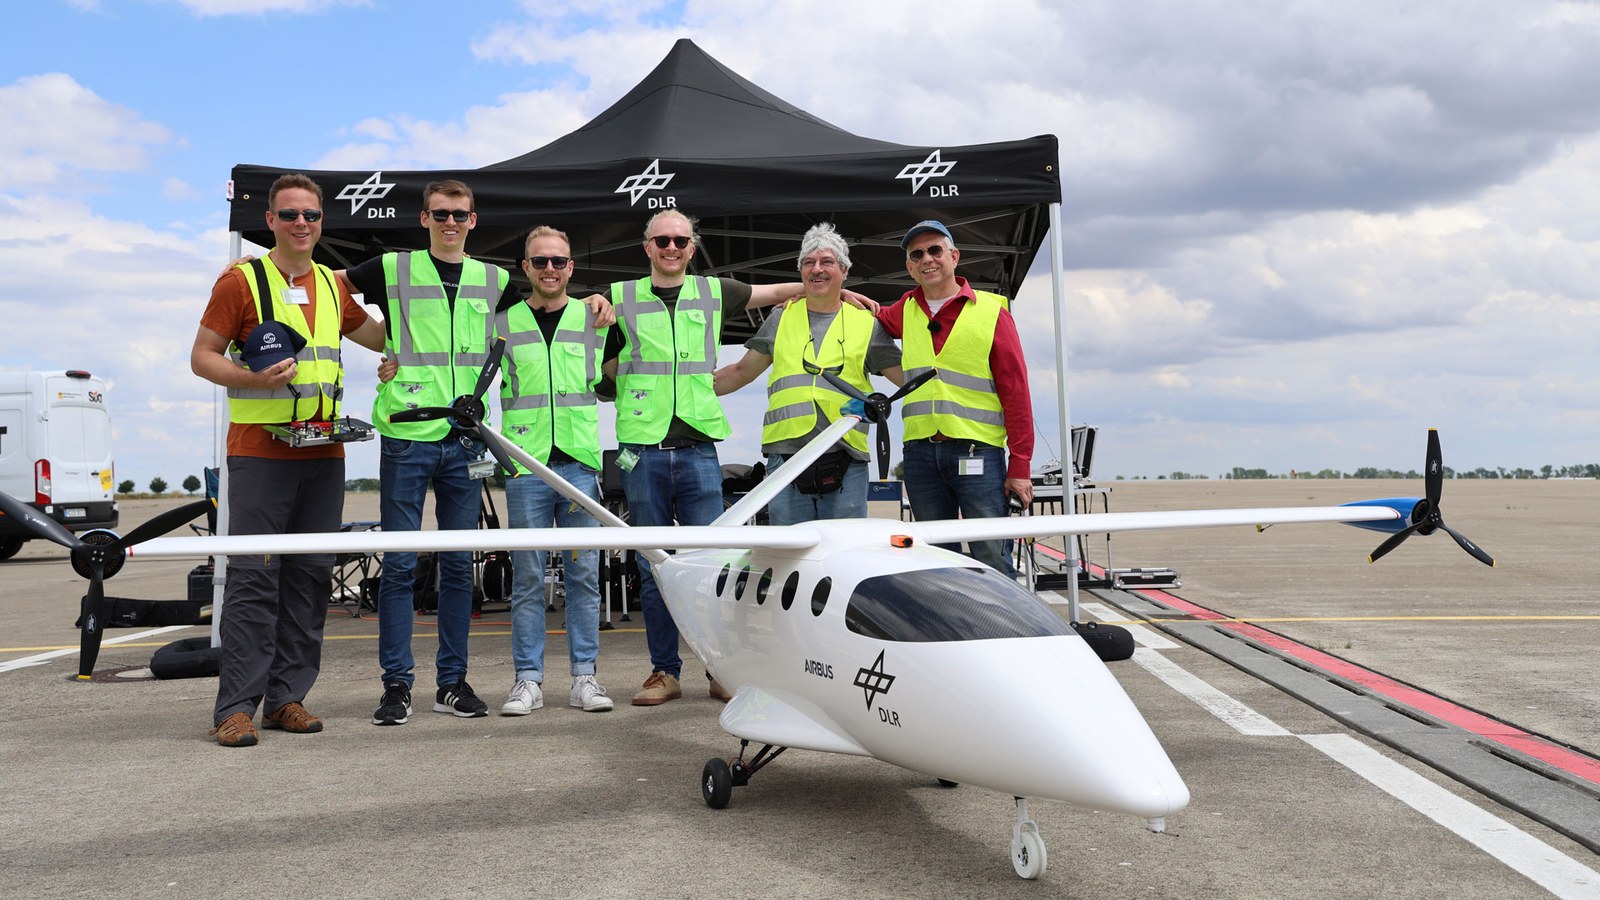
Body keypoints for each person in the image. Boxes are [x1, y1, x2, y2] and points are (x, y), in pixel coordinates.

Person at [602, 209, 876, 706]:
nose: (671, 247)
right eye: (661, 239)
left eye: (680, 240)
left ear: (691, 245)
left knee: (716, 566)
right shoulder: (618, 297)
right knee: (652, 566)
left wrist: (834, 294)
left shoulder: (711, 290)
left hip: (699, 448)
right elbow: (575, 331)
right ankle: (664, 672)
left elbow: (773, 292)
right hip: (640, 449)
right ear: (647, 247)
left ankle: (719, 670)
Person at [190, 173, 387, 747]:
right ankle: (236, 708)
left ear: (322, 222)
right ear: (270, 221)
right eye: (290, 214)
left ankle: (288, 699)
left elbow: (377, 337)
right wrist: (250, 375)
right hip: (259, 452)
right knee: (253, 580)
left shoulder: (331, 283)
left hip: (324, 451)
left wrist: (396, 349)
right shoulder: (240, 281)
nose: (302, 223)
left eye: (311, 215)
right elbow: (202, 357)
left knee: (309, 578)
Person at [342, 179, 515, 725]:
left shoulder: (496, 278)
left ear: (473, 220)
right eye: (440, 214)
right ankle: (397, 686)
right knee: (398, 564)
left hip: (465, 437)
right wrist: (379, 342)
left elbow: (548, 303)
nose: (450, 222)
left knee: (460, 565)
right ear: (424, 219)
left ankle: (451, 683)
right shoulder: (391, 267)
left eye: (460, 214)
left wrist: (599, 303)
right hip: (407, 434)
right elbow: (328, 288)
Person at [493, 226, 615, 715]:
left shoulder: (597, 320)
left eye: (558, 262)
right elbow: (462, 372)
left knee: (584, 574)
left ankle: (584, 678)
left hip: (579, 463)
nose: (549, 269)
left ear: (571, 268)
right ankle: (528, 680)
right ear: (525, 268)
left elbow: (625, 374)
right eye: (539, 261)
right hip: (525, 465)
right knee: (527, 577)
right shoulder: (501, 323)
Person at [713, 223, 903, 524]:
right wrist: (684, 387)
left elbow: (906, 377)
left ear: (844, 270)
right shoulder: (781, 317)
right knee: (788, 555)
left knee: (844, 552)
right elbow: (740, 372)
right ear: (801, 272)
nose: (817, 269)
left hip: (847, 457)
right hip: (786, 458)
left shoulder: (866, 324)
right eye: (809, 263)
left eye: (827, 261)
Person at [875, 220, 1033, 575]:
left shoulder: (993, 311)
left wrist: (1020, 465)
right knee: (934, 559)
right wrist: (844, 295)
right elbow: (868, 321)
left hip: (977, 452)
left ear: (954, 257)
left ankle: (999, 630)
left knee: (992, 556)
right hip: (920, 455)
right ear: (910, 267)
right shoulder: (904, 309)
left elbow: (1017, 392)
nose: (927, 259)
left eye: (935, 250)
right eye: (917, 254)